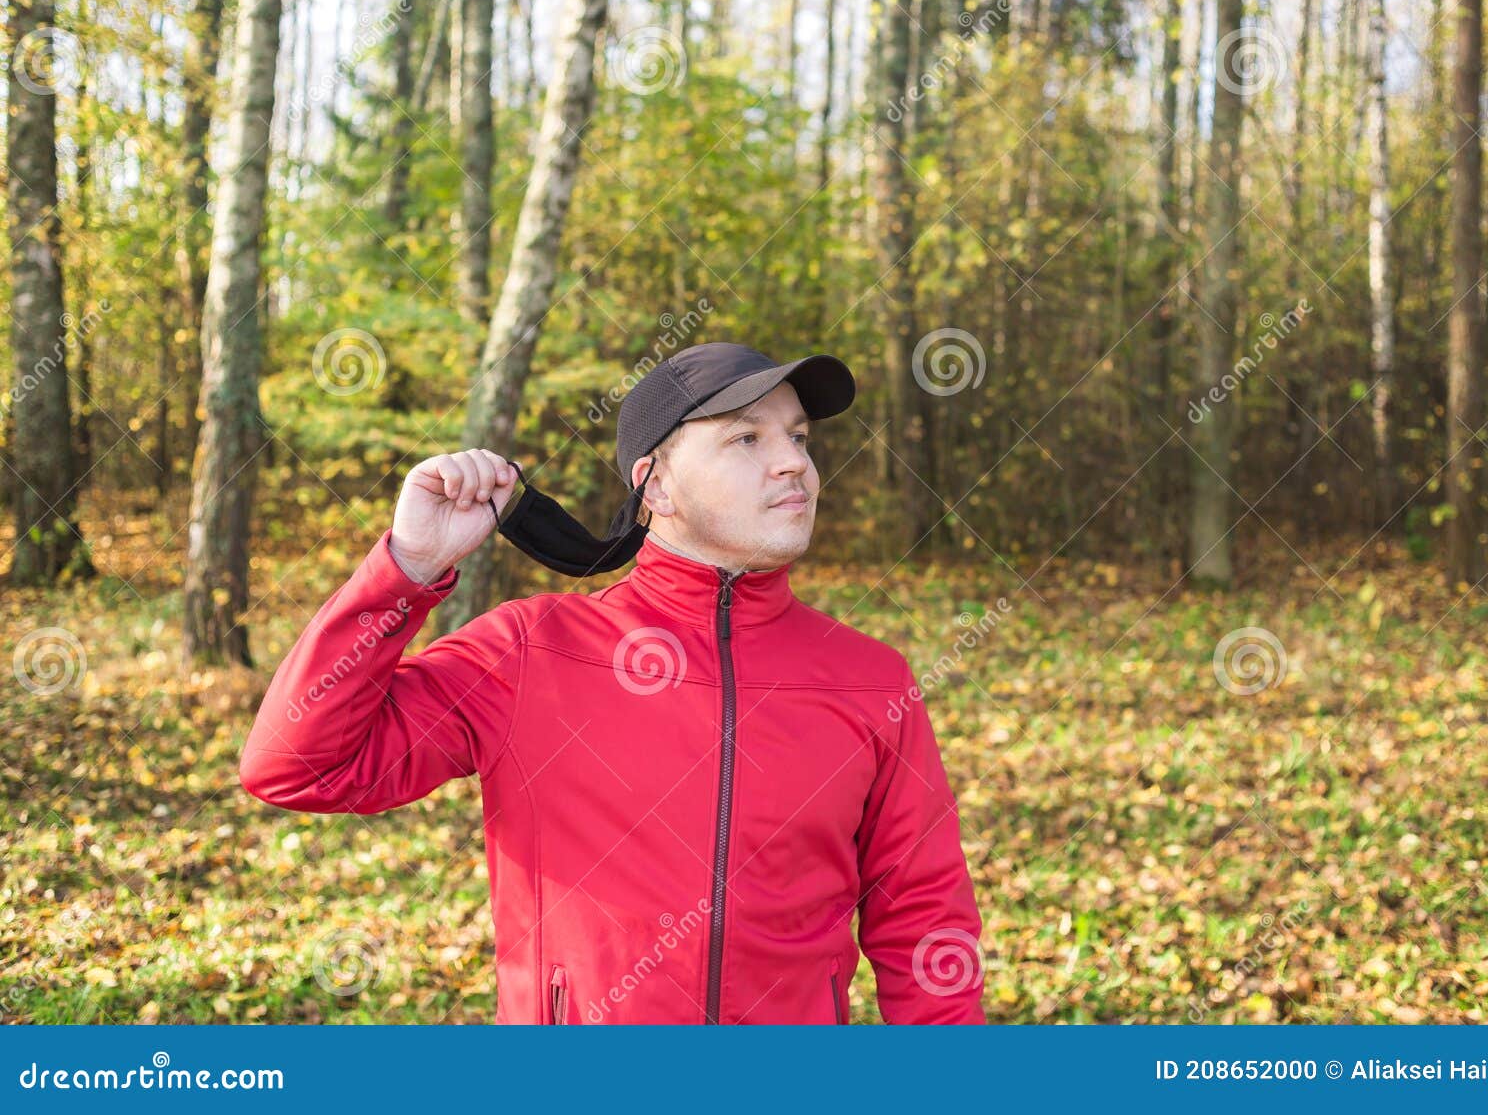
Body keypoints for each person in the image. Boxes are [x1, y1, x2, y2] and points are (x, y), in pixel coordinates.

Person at [240, 342, 986, 1024]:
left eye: (798, 437)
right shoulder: (531, 652)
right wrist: (405, 568)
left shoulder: (868, 679)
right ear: (654, 485)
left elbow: (924, 917)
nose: (792, 462)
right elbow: (296, 767)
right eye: (747, 438)